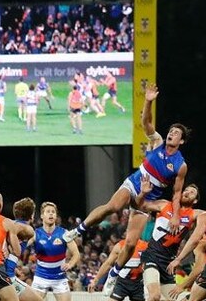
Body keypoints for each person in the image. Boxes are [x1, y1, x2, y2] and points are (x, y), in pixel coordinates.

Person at [64, 84, 190, 276]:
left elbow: (177, 193)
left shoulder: (181, 165)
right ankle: (78, 230)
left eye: (176, 133)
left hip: (147, 198)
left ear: (181, 141)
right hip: (134, 183)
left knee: (131, 243)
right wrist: (148, 101)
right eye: (171, 131)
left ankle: (114, 274)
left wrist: (175, 215)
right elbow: (146, 122)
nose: (171, 133)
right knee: (113, 206)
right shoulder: (157, 142)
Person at [137, 182, 200, 301]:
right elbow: (140, 205)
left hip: (169, 263)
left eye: (192, 192)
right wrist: (143, 193)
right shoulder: (164, 205)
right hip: (151, 256)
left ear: (195, 200)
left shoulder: (194, 214)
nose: (187, 192)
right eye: (186, 190)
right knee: (154, 296)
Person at [27, 201, 80, 301]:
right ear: (42, 216)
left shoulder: (64, 233)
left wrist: (70, 264)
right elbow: (23, 245)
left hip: (59, 278)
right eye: (48, 212)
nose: (51, 214)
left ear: (56, 216)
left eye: (53, 212)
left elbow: (76, 254)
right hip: (40, 277)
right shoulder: (35, 233)